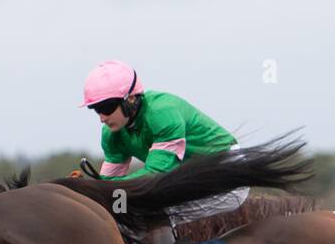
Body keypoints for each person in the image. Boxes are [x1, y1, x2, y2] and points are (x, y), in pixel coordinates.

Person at [80, 60, 249, 222]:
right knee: (119, 210)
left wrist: (103, 187)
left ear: (131, 98)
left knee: (154, 213)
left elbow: (155, 175)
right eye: (96, 110)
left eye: (107, 108)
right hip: (190, 175)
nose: (102, 118)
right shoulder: (111, 133)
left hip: (227, 171)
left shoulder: (162, 114)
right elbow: (107, 184)